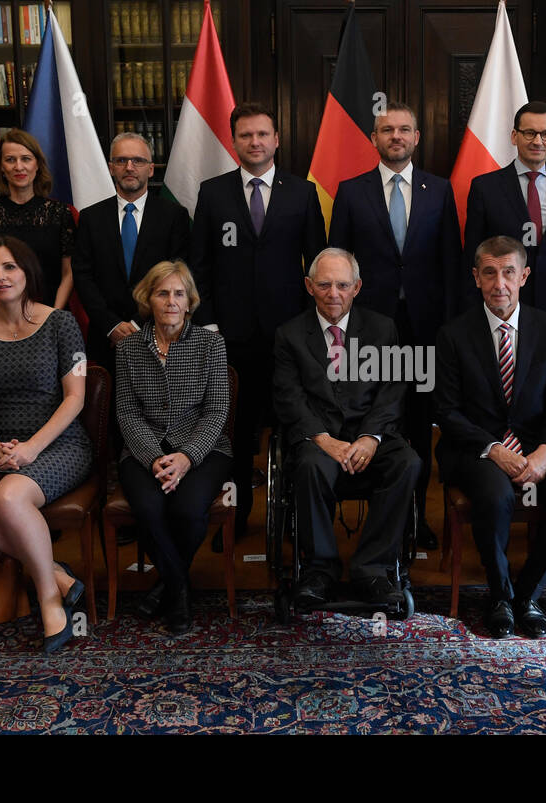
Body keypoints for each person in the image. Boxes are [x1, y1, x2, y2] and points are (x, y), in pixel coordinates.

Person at [434, 236, 546, 638]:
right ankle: (499, 596)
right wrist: (493, 449)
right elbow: (446, 412)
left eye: (508, 272)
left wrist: (545, 452)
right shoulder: (453, 334)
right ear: (476, 277)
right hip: (476, 448)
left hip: (537, 444)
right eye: (489, 272)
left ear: (524, 276)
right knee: (496, 495)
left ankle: (527, 594)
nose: (499, 283)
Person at [328, 100, 461, 550]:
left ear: (417, 137)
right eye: (387, 130)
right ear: (374, 138)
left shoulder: (439, 191)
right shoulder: (351, 191)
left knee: (420, 423)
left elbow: (451, 263)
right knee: (370, 415)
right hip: (367, 327)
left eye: (404, 129)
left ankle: (416, 516)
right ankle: (367, 513)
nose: (396, 137)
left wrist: (448, 328)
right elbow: (336, 263)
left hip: (424, 327)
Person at [191, 102, 327, 535]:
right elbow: (200, 266)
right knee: (236, 429)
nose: (255, 142)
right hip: (230, 336)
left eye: (262, 134)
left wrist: (313, 328)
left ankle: (290, 514)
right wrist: (209, 324)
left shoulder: (302, 192)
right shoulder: (212, 193)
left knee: (293, 423)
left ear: (276, 140)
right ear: (233, 142)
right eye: (246, 135)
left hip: (291, 335)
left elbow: (318, 268)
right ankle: (239, 514)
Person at [0, 237, 92, 653]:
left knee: (9, 498)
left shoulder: (60, 324)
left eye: (9, 267)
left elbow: (76, 398)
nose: (0, 277)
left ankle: (50, 600)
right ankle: (55, 574)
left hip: (58, 443)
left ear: (28, 272)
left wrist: (31, 447)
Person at [272, 248, 419, 609]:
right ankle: (319, 569)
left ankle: (373, 568)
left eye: (342, 285)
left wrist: (369, 438)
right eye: (324, 284)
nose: (333, 294)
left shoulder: (383, 328)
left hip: (371, 436)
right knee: (307, 464)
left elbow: (392, 390)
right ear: (309, 286)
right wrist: (326, 441)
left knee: (408, 462)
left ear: (357, 287)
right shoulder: (289, 335)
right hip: (319, 441)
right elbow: (289, 398)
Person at [116, 261, 232, 632]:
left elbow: (216, 411)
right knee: (149, 507)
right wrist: (154, 458)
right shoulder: (128, 348)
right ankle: (178, 589)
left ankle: (165, 586)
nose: (170, 301)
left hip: (204, 446)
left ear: (190, 301)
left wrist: (185, 457)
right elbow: (127, 412)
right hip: (142, 447)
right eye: (162, 293)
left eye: (178, 293)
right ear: (147, 299)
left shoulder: (211, 343)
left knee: (187, 509)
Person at [464, 101, 546, 330]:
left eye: (545, 134)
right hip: (501, 309)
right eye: (530, 133)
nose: (537, 141)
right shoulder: (485, 188)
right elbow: (472, 256)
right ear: (514, 136)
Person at [72, 131, 190, 371]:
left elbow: (179, 275)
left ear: (151, 168)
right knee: (107, 406)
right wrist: (111, 325)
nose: (129, 167)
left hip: (159, 332)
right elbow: (83, 276)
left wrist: (138, 323)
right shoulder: (90, 218)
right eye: (121, 160)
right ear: (111, 168)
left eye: (138, 160)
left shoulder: (174, 216)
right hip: (105, 337)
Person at [0, 129, 76, 309]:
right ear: (1, 167)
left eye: (26, 159)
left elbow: (69, 273)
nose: (19, 167)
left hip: (51, 315)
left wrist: (53, 316)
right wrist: (0, 314)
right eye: (10, 160)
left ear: (37, 165)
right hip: (0, 316)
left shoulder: (62, 213)